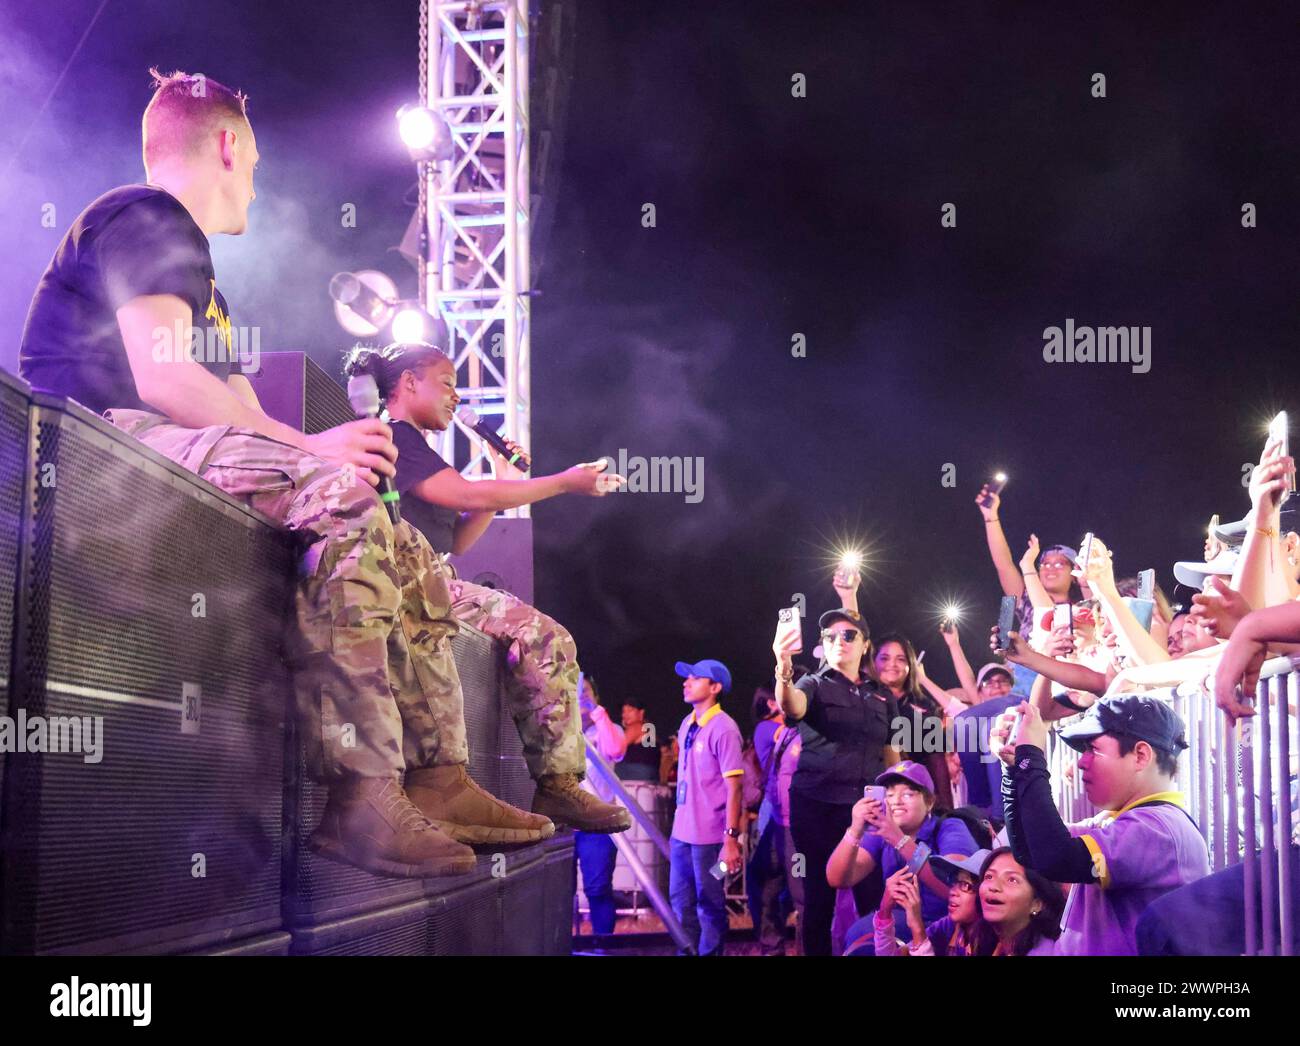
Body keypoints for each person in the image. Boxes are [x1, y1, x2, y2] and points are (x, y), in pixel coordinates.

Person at [17, 68, 544, 877]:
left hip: (152, 445)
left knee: (403, 545)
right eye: (255, 164)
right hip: (94, 451)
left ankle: (437, 777)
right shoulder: (147, 213)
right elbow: (162, 383)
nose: (256, 186)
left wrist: (314, 447)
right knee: (338, 494)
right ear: (226, 144)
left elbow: (238, 414)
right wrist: (318, 455)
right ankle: (361, 796)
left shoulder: (208, 287)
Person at [341, 341, 630, 834]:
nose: (456, 398)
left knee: (544, 639)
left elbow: (457, 536)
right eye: (448, 383)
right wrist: (563, 482)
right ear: (409, 383)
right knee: (543, 636)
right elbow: (467, 494)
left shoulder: (415, 446)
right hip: (406, 580)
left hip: (435, 575)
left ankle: (554, 784)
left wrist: (501, 476)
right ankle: (554, 785)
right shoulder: (392, 437)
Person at [993, 695, 1209, 955]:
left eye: (1092, 749)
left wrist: (1031, 760)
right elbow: (1031, 849)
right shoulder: (1118, 821)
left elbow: (1055, 857)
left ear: (1140, 755)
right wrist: (1015, 766)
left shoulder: (1159, 829)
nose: (1081, 762)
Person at [772, 607, 901, 956]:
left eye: (848, 635)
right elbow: (791, 707)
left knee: (872, 894)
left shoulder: (882, 695)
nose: (838, 641)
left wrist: (900, 795)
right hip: (816, 805)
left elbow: (891, 753)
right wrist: (783, 667)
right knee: (818, 896)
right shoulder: (811, 684)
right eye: (830, 636)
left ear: (865, 645)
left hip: (867, 807)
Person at [827, 760, 978, 954]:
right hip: (900, 918)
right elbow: (838, 878)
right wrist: (855, 830)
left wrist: (898, 839)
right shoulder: (882, 832)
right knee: (859, 934)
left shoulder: (949, 827)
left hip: (946, 920)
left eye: (907, 794)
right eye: (889, 795)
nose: (896, 801)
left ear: (929, 802)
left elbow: (953, 887)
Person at [668, 659, 744, 956]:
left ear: (715, 687)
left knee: (710, 903)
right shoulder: (687, 723)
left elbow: (734, 788)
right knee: (679, 901)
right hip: (681, 836)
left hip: (712, 841)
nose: (686, 682)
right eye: (687, 678)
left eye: (695, 678)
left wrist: (730, 839)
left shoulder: (724, 728)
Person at [747, 689, 803, 955]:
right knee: (768, 879)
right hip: (776, 815)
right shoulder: (770, 728)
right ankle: (773, 945)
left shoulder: (798, 729)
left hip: (796, 819)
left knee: (799, 888)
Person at [573, 678, 629, 937]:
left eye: (585, 690)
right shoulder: (561, 731)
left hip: (597, 825)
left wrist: (595, 711)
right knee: (558, 891)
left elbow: (617, 750)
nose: (580, 695)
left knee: (597, 888)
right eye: (574, 689)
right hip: (563, 826)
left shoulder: (608, 728)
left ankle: (602, 944)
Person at [872, 633, 953, 808]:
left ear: (910, 664)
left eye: (900, 659)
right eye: (884, 658)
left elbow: (936, 758)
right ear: (873, 662)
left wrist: (946, 806)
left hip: (913, 796)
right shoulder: (863, 698)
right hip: (872, 790)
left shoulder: (924, 705)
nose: (892, 664)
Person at [871, 851, 989, 956]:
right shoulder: (949, 926)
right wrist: (885, 911)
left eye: (965, 885)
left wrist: (917, 926)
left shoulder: (992, 940)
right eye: (955, 882)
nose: (953, 891)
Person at [616, 698, 661, 782]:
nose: (625, 715)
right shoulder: (649, 728)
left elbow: (616, 748)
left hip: (634, 778)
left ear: (641, 712)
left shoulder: (636, 726)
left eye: (630, 710)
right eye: (624, 711)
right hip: (650, 778)